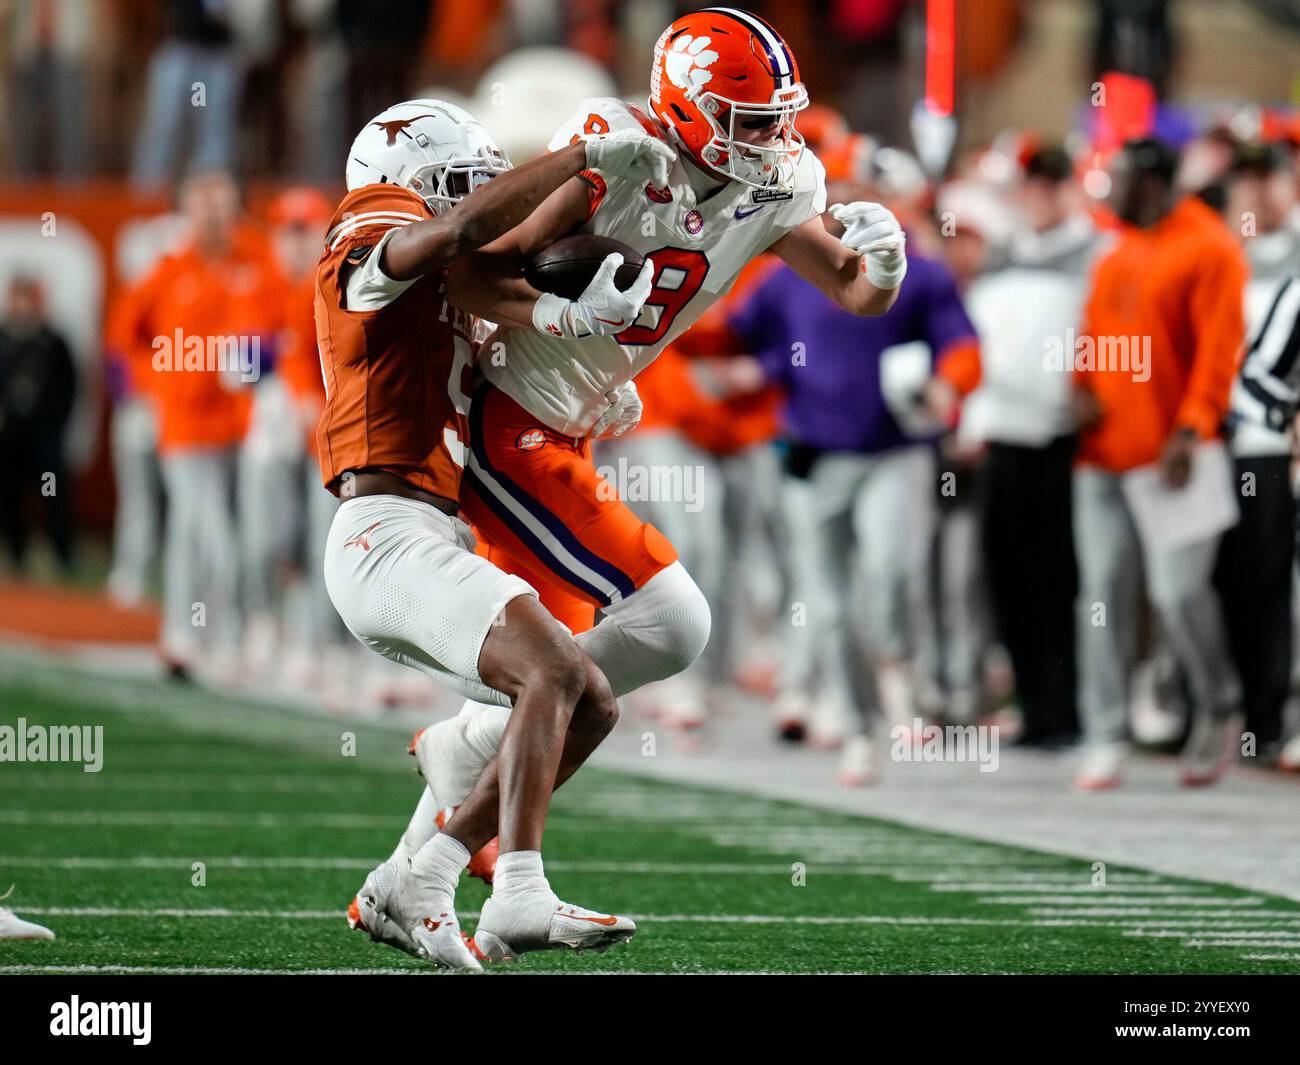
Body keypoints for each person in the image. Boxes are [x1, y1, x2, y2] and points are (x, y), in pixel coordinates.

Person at [428, 6, 906, 826]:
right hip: (509, 415)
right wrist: (567, 317)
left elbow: (857, 293)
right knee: (633, 635)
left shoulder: (779, 183)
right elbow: (470, 277)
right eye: (748, 121)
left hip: (572, 423)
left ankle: (445, 843)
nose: (770, 139)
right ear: (687, 106)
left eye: (778, 119)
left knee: (552, 663)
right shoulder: (617, 154)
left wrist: (889, 260)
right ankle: (472, 812)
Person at [316, 99, 674, 968]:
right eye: (456, 185)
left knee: (589, 697)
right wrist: (579, 155)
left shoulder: (438, 286)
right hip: (382, 536)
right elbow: (461, 230)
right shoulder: (360, 247)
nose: (474, 200)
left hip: (430, 534)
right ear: (410, 186)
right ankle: (517, 889)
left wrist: (583, 366)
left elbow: (491, 358)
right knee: (554, 669)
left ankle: (421, 873)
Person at [729, 183, 977, 784]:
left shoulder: (920, 276)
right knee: (828, 604)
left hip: (894, 450)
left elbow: (962, 345)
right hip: (815, 454)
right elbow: (742, 337)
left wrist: (952, 384)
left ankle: (901, 676)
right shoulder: (788, 274)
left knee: (892, 574)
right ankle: (860, 725)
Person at [1072, 137, 1248, 789]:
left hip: (1174, 453)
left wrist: (1194, 428)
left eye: (1116, 177)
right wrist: (1080, 392)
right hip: (1103, 456)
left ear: (1149, 182)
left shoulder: (1209, 246)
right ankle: (1105, 732)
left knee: (1177, 595)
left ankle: (1220, 706)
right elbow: (1091, 334)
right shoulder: (1114, 246)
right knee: (1101, 595)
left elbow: (1220, 348)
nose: (1106, 189)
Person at [929, 146, 1100, 747]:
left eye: (1051, 185)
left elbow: (1098, 336)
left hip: (1058, 436)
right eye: (1033, 185)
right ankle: (1033, 703)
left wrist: (1088, 391)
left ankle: (1067, 708)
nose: (1040, 197)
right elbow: (979, 347)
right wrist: (970, 423)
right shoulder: (1003, 259)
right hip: (1000, 435)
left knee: (1058, 580)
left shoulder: (1095, 253)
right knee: (1008, 578)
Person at [118, 170, 281, 676]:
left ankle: (199, 633)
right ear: (187, 213)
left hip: (245, 424)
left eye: (220, 205)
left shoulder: (259, 259)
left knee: (234, 532)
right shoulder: (169, 268)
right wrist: (144, 392)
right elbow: (123, 338)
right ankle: (210, 634)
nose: (212, 216)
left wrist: (263, 367)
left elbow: (291, 327)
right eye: (202, 206)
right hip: (185, 427)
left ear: (235, 209)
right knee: (206, 528)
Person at [1219, 143, 1300, 766]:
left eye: (1267, 177)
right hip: (1222, 440)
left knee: (1274, 586)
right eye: (1246, 180)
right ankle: (1250, 714)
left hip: (1275, 447)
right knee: (1240, 584)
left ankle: (1273, 715)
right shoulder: (1222, 250)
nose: (1257, 193)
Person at [0, 276, 77, 573]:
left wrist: (54, 422)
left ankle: (61, 553)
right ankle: (16, 553)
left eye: (28, 298)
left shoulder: (52, 342)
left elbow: (69, 385)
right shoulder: (4, 340)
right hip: (9, 437)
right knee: (10, 496)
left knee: (52, 495)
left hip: (44, 437)